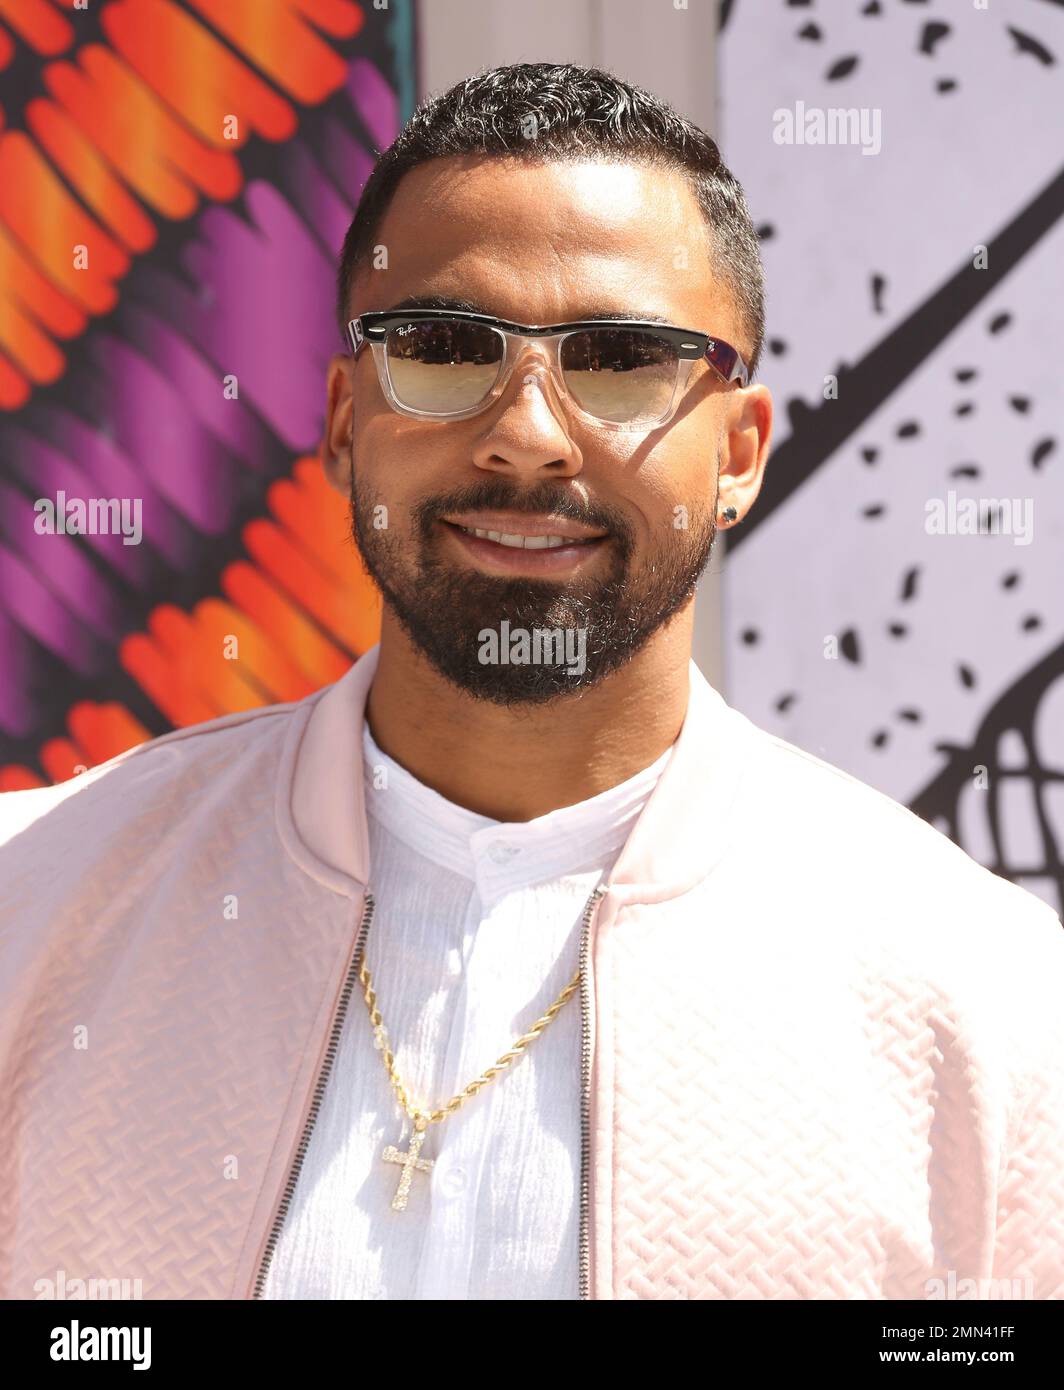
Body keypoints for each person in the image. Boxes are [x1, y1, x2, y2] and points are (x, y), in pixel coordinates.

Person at [1, 62, 1062, 1303]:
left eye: (619, 358)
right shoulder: (38, 906)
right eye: (446, 348)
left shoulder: (981, 1002)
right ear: (346, 420)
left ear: (736, 453)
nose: (527, 433)